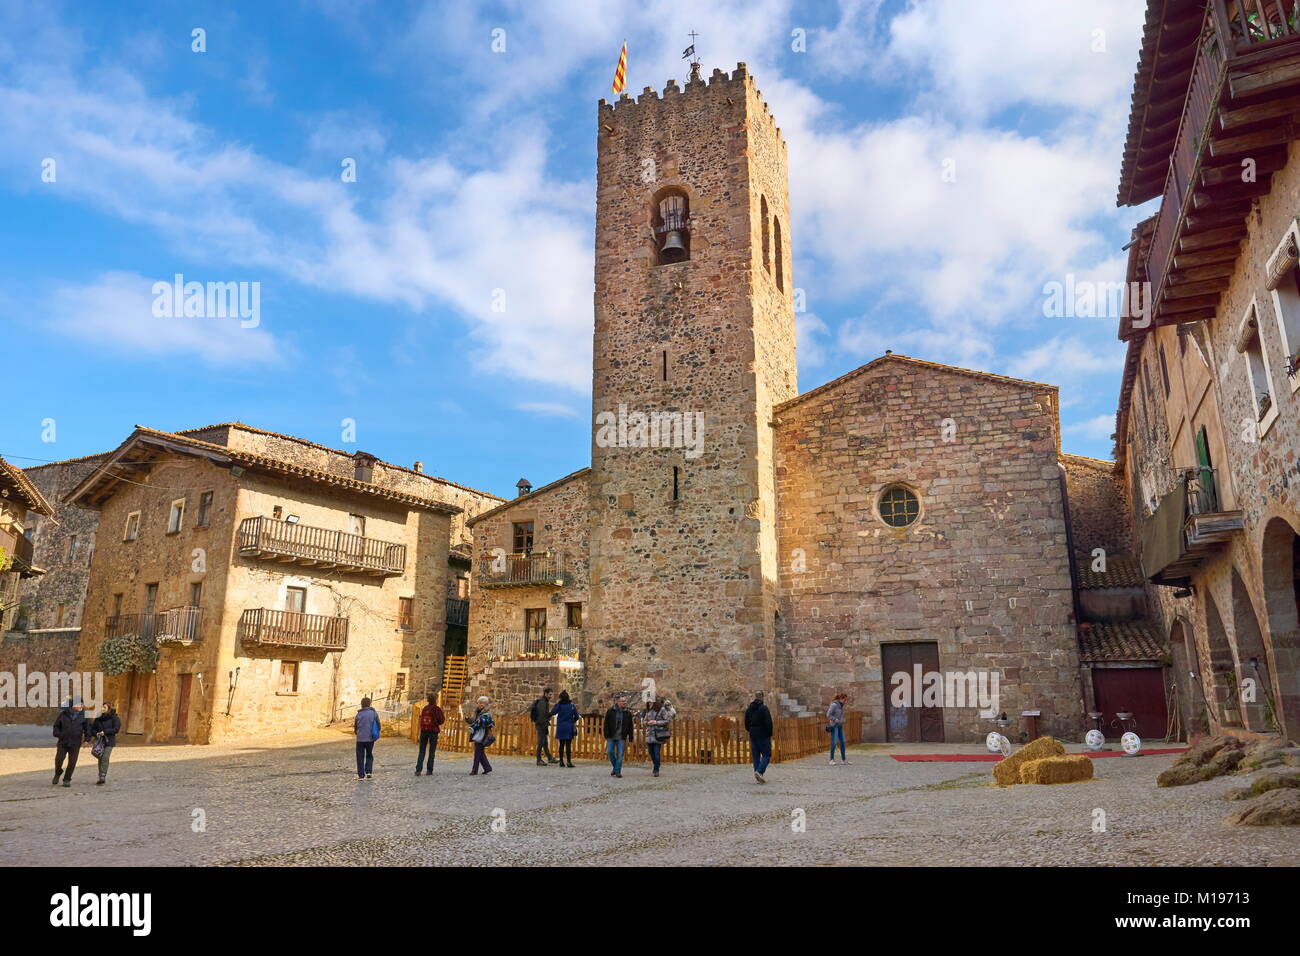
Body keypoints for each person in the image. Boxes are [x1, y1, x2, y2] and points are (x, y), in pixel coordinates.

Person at [52, 697, 89, 787]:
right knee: (59, 759)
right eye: (78, 704)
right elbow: (56, 726)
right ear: (72, 705)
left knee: (72, 762)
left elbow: (88, 728)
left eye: (81, 704)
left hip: (75, 742)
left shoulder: (85, 715)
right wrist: (59, 734)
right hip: (63, 742)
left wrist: (87, 740)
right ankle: (58, 772)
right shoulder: (63, 714)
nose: (81, 705)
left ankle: (67, 779)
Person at [743, 691, 773, 784]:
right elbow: (768, 722)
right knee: (766, 755)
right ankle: (759, 772)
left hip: (753, 735)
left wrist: (750, 730)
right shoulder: (764, 709)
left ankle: (758, 775)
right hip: (763, 735)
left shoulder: (749, 709)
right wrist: (769, 733)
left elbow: (746, 723)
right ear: (762, 697)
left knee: (756, 756)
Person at [89, 701, 121, 786]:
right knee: (100, 757)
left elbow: (116, 729)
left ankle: (102, 775)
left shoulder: (115, 718)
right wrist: (96, 733)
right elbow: (92, 729)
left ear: (109, 709)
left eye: (104, 707)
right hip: (100, 741)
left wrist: (105, 732)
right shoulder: (98, 718)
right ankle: (101, 776)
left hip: (109, 741)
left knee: (105, 757)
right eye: (102, 707)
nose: (102, 708)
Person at [603, 694, 634, 777]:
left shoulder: (627, 713)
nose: (624, 702)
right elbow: (606, 723)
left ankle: (617, 771)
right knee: (609, 751)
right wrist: (606, 734)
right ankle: (615, 768)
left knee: (620, 755)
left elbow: (630, 726)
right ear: (618, 702)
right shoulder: (610, 711)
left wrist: (631, 737)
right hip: (611, 736)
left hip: (621, 737)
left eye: (625, 701)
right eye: (623, 701)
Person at [642, 697, 672, 777]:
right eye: (648, 701)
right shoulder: (647, 710)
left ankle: (656, 769)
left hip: (658, 735)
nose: (649, 703)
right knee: (650, 752)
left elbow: (667, 720)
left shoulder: (661, 710)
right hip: (649, 735)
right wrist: (648, 723)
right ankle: (657, 764)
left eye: (650, 701)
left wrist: (656, 722)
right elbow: (644, 722)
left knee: (656, 753)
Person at [416, 693, 445, 776]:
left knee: (422, 751)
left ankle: (418, 770)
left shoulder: (425, 708)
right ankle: (429, 770)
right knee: (431, 751)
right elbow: (441, 720)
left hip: (424, 731)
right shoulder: (436, 709)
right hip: (433, 731)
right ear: (436, 699)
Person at [530, 687, 558, 766]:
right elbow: (542, 715)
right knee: (541, 742)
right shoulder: (542, 702)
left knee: (545, 742)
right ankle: (538, 760)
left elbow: (544, 714)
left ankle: (549, 758)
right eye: (550, 694)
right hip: (541, 725)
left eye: (551, 695)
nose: (551, 696)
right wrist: (545, 725)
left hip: (542, 724)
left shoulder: (545, 701)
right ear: (545, 694)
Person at [551, 690, 579, 767]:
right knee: (568, 745)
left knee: (561, 744)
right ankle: (569, 762)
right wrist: (572, 721)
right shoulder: (572, 706)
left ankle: (561, 762)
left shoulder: (559, 705)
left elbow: (553, 712)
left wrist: (557, 703)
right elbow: (577, 716)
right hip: (569, 727)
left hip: (561, 727)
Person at [354, 697, 381, 780]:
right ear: (369, 704)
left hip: (360, 739)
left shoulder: (358, 714)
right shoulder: (373, 713)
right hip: (370, 738)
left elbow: (355, 727)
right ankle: (369, 771)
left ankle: (361, 775)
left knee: (360, 756)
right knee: (369, 755)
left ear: (362, 704)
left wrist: (357, 733)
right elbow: (378, 724)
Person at [469, 696, 494, 775]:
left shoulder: (487, 714)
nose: (480, 704)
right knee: (480, 753)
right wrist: (468, 719)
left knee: (477, 754)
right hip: (478, 734)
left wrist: (474, 726)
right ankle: (487, 768)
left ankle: (474, 770)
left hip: (482, 735)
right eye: (479, 703)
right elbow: (474, 721)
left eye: (482, 703)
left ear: (485, 704)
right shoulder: (478, 712)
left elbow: (487, 723)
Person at [827, 693, 848, 765]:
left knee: (843, 742)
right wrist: (835, 720)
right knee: (834, 742)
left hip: (840, 726)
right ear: (841, 699)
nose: (845, 701)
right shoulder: (834, 705)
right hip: (834, 726)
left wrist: (843, 720)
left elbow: (841, 715)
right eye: (845, 699)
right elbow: (828, 715)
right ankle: (831, 760)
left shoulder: (841, 706)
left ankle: (843, 760)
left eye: (846, 700)